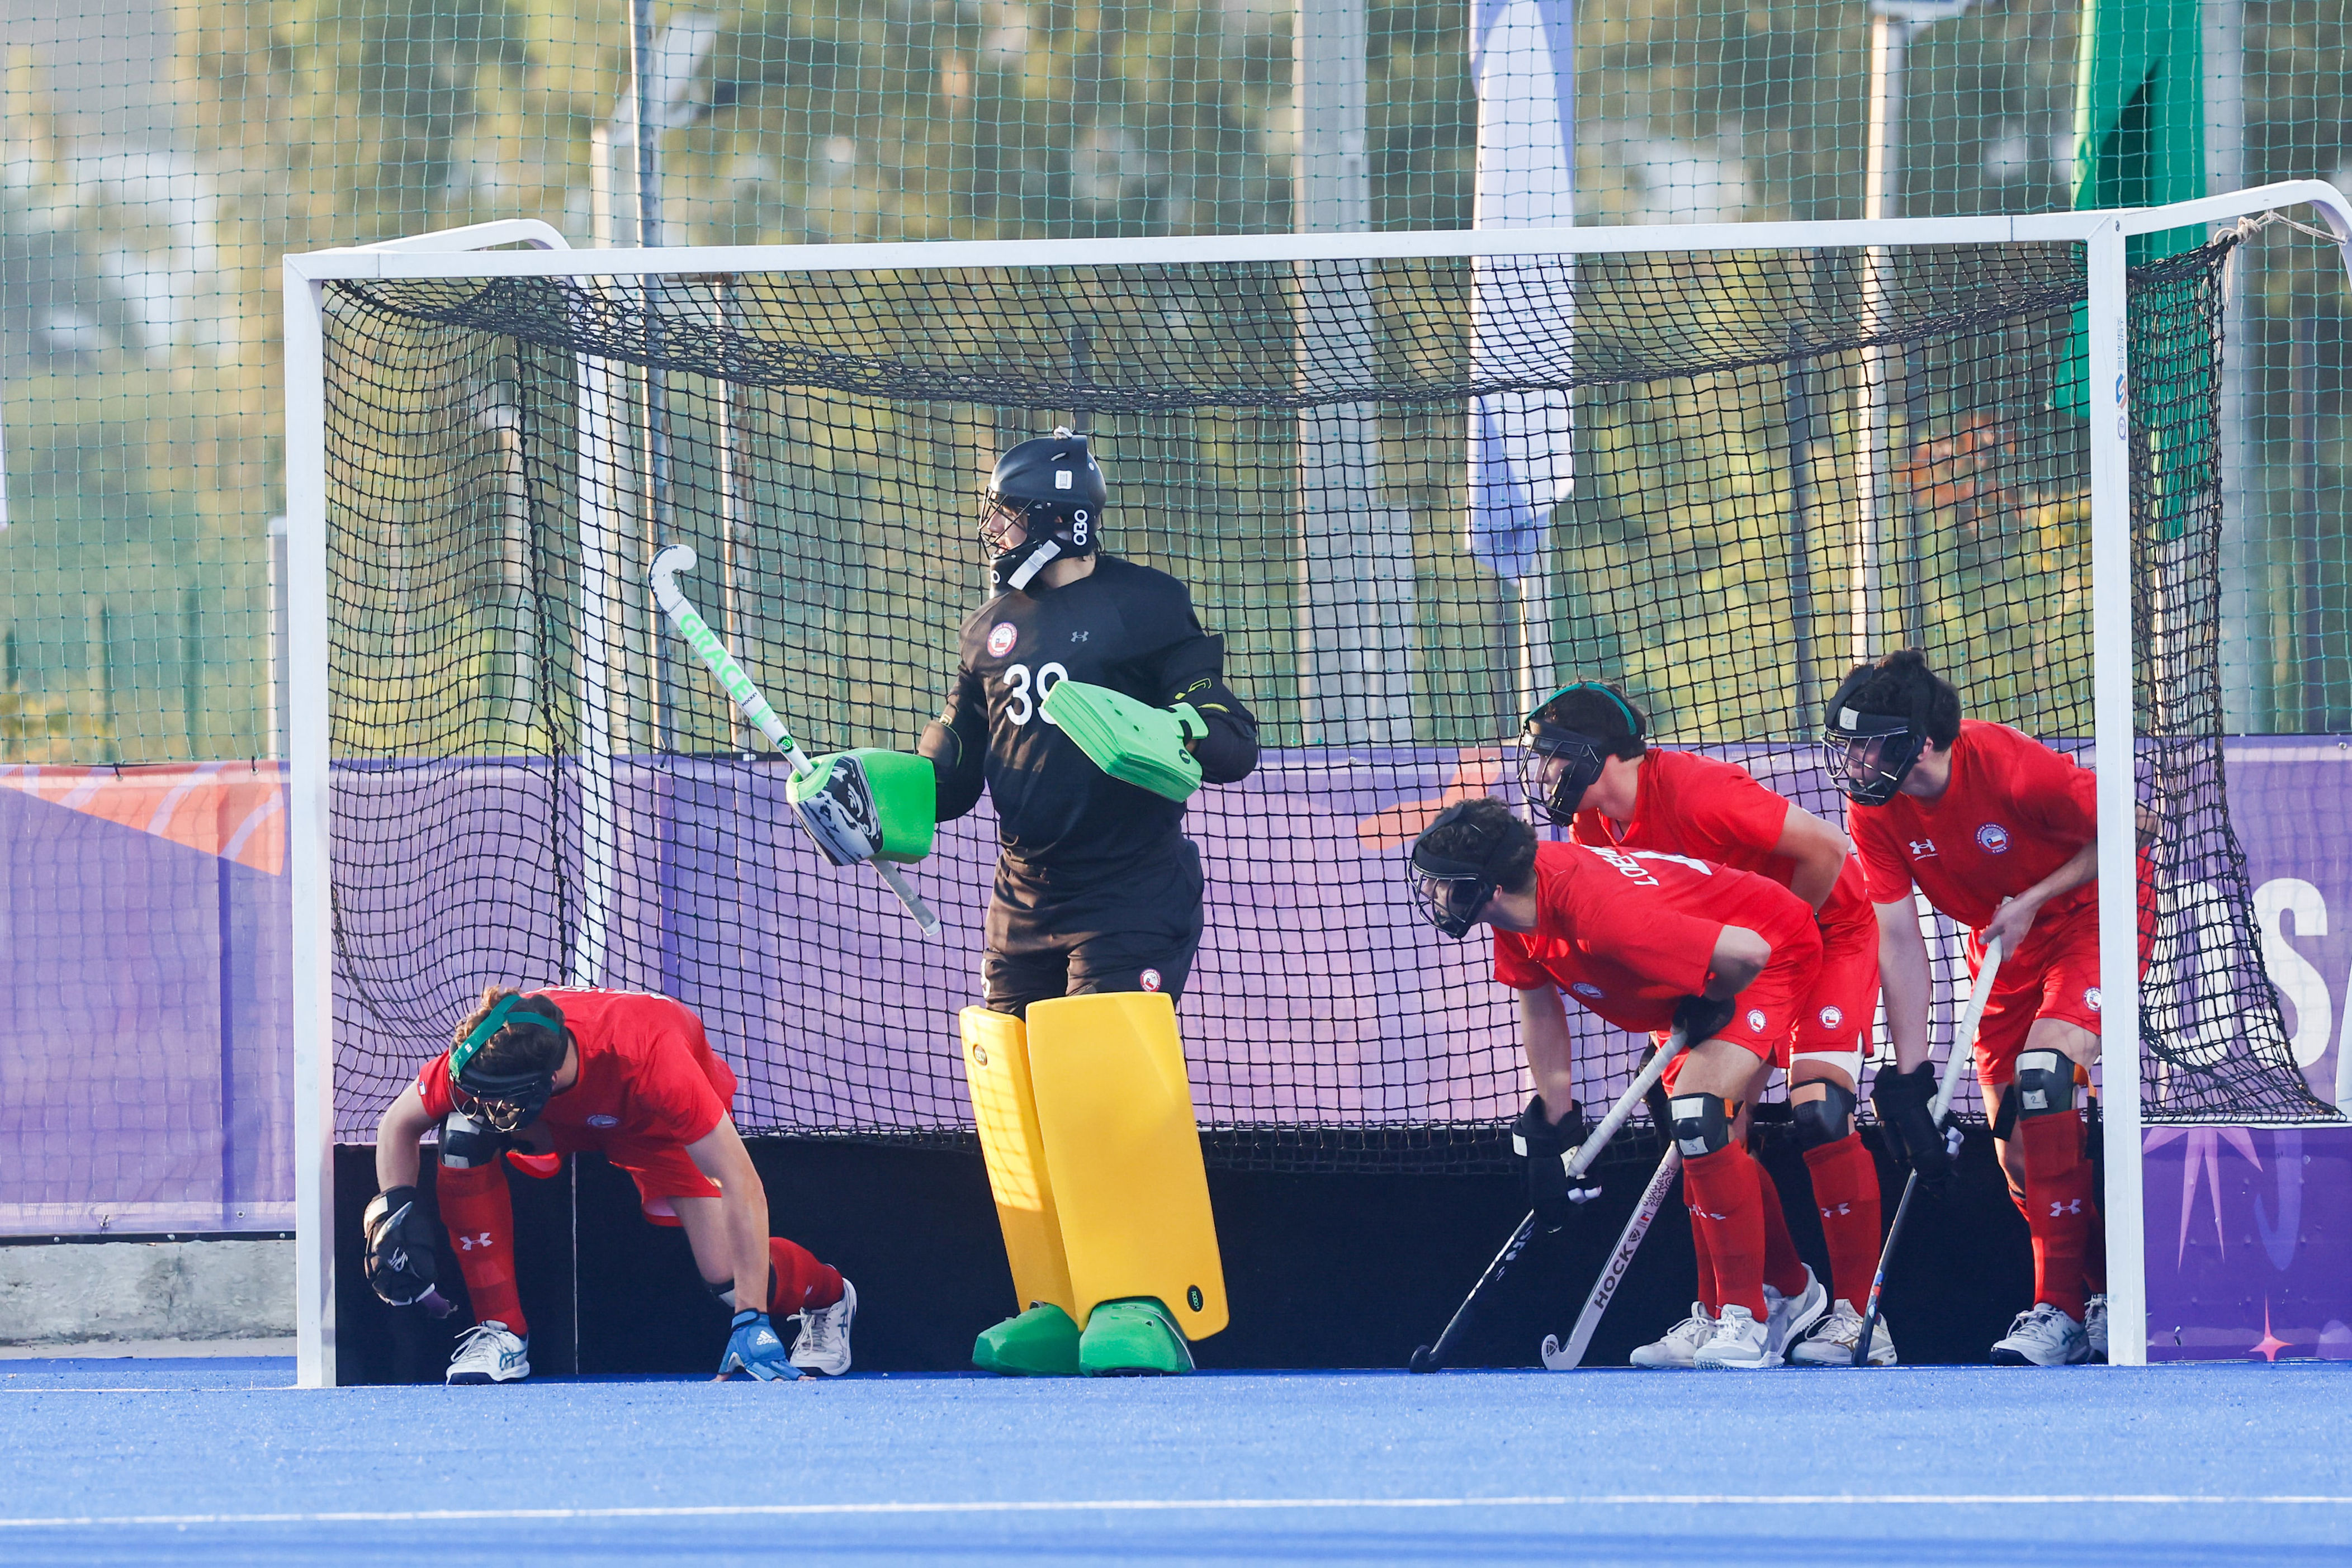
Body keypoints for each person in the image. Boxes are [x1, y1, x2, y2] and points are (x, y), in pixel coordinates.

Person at [920, 429, 1261, 1376]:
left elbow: (1229, 734)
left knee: (1099, 1089)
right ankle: (1058, 1299)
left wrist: (1185, 730)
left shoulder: (1148, 604)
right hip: (1021, 897)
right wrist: (868, 790)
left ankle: (1137, 1295)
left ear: (1061, 518)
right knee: (1017, 1094)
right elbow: (951, 776)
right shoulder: (988, 625)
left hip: (1130, 892)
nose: (995, 527)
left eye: (1009, 511)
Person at [1520, 680, 1889, 1367]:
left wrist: (1767, 962)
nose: (1543, 775)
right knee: (1701, 1123)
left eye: (1553, 757)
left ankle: (1859, 1318)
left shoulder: (1695, 790)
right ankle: (1749, 1302)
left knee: (1819, 1107)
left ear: (1597, 756)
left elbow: (1828, 851)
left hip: (1825, 928)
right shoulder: (1591, 829)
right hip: (1735, 962)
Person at [1408, 796, 1823, 1368]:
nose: (1432, 897)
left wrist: (1710, 997)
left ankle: (1747, 1319)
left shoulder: (1602, 918)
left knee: (1699, 1119)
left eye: (1444, 886)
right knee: (1699, 1142)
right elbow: (1540, 1006)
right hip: (1704, 962)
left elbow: (1750, 951)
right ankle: (1763, 1297)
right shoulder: (1514, 910)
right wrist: (1555, 1124)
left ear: (1491, 889)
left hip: (1766, 950)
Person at [1824, 649, 2108, 1366]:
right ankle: (2105, 1297)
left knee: (2045, 1080)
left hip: (2089, 915)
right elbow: (1897, 936)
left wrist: (2037, 899)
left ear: (1919, 742)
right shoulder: (1874, 811)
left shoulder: (2012, 768)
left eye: (1869, 746)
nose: (1855, 764)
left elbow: (2136, 826)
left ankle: (2059, 1312)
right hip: (2002, 945)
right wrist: (1912, 1075)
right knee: (2015, 1152)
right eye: (1847, 746)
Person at [364, 986, 855, 1385]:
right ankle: (502, 1333)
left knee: (728, 1280)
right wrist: (396, 1211)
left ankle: (830, 1297)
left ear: (548, 1076)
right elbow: (397, 1124)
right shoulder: (493, 1051)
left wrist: (752, 1316)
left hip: (654, 1126)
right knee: (464, 1133)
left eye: (497, 1099)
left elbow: (742, 1181)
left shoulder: (653, 1058)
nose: (481, 1101)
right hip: (558, 1118)